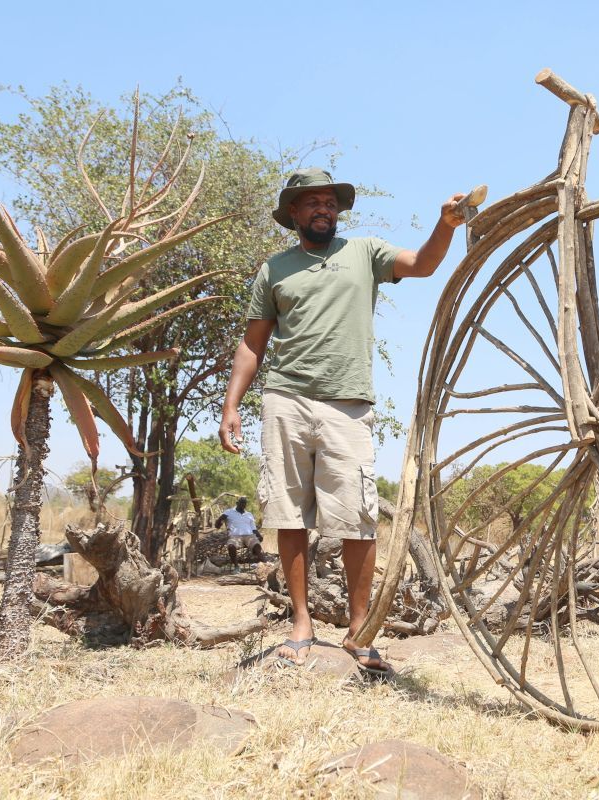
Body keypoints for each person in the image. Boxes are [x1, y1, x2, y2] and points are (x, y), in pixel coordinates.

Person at [219, 168, 465, 673]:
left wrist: (446, 225)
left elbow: (421, 265)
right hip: (285, 400)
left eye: (329, 202)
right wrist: (230, 405)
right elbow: (253, 343)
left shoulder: (365, 253)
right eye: (311, 202)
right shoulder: (274, 270)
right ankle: (302, 625)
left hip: (348, 405)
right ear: (293, 213)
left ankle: (359, 629)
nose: (322, 209)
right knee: (288, 516)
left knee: (357, 519)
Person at [216, 497, 263, 564]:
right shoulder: (228, 512)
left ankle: (263, 563)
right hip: (235, 536)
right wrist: (220, 519)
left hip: (249, 536)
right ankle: (236, 566)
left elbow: (254, 529)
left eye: (244, 503)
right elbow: (217, 526)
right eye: (241, 503)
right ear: (237, 503)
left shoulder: (249, 514)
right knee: (231, 546)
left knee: (257, 546)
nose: (243, 504)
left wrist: (259, 536)